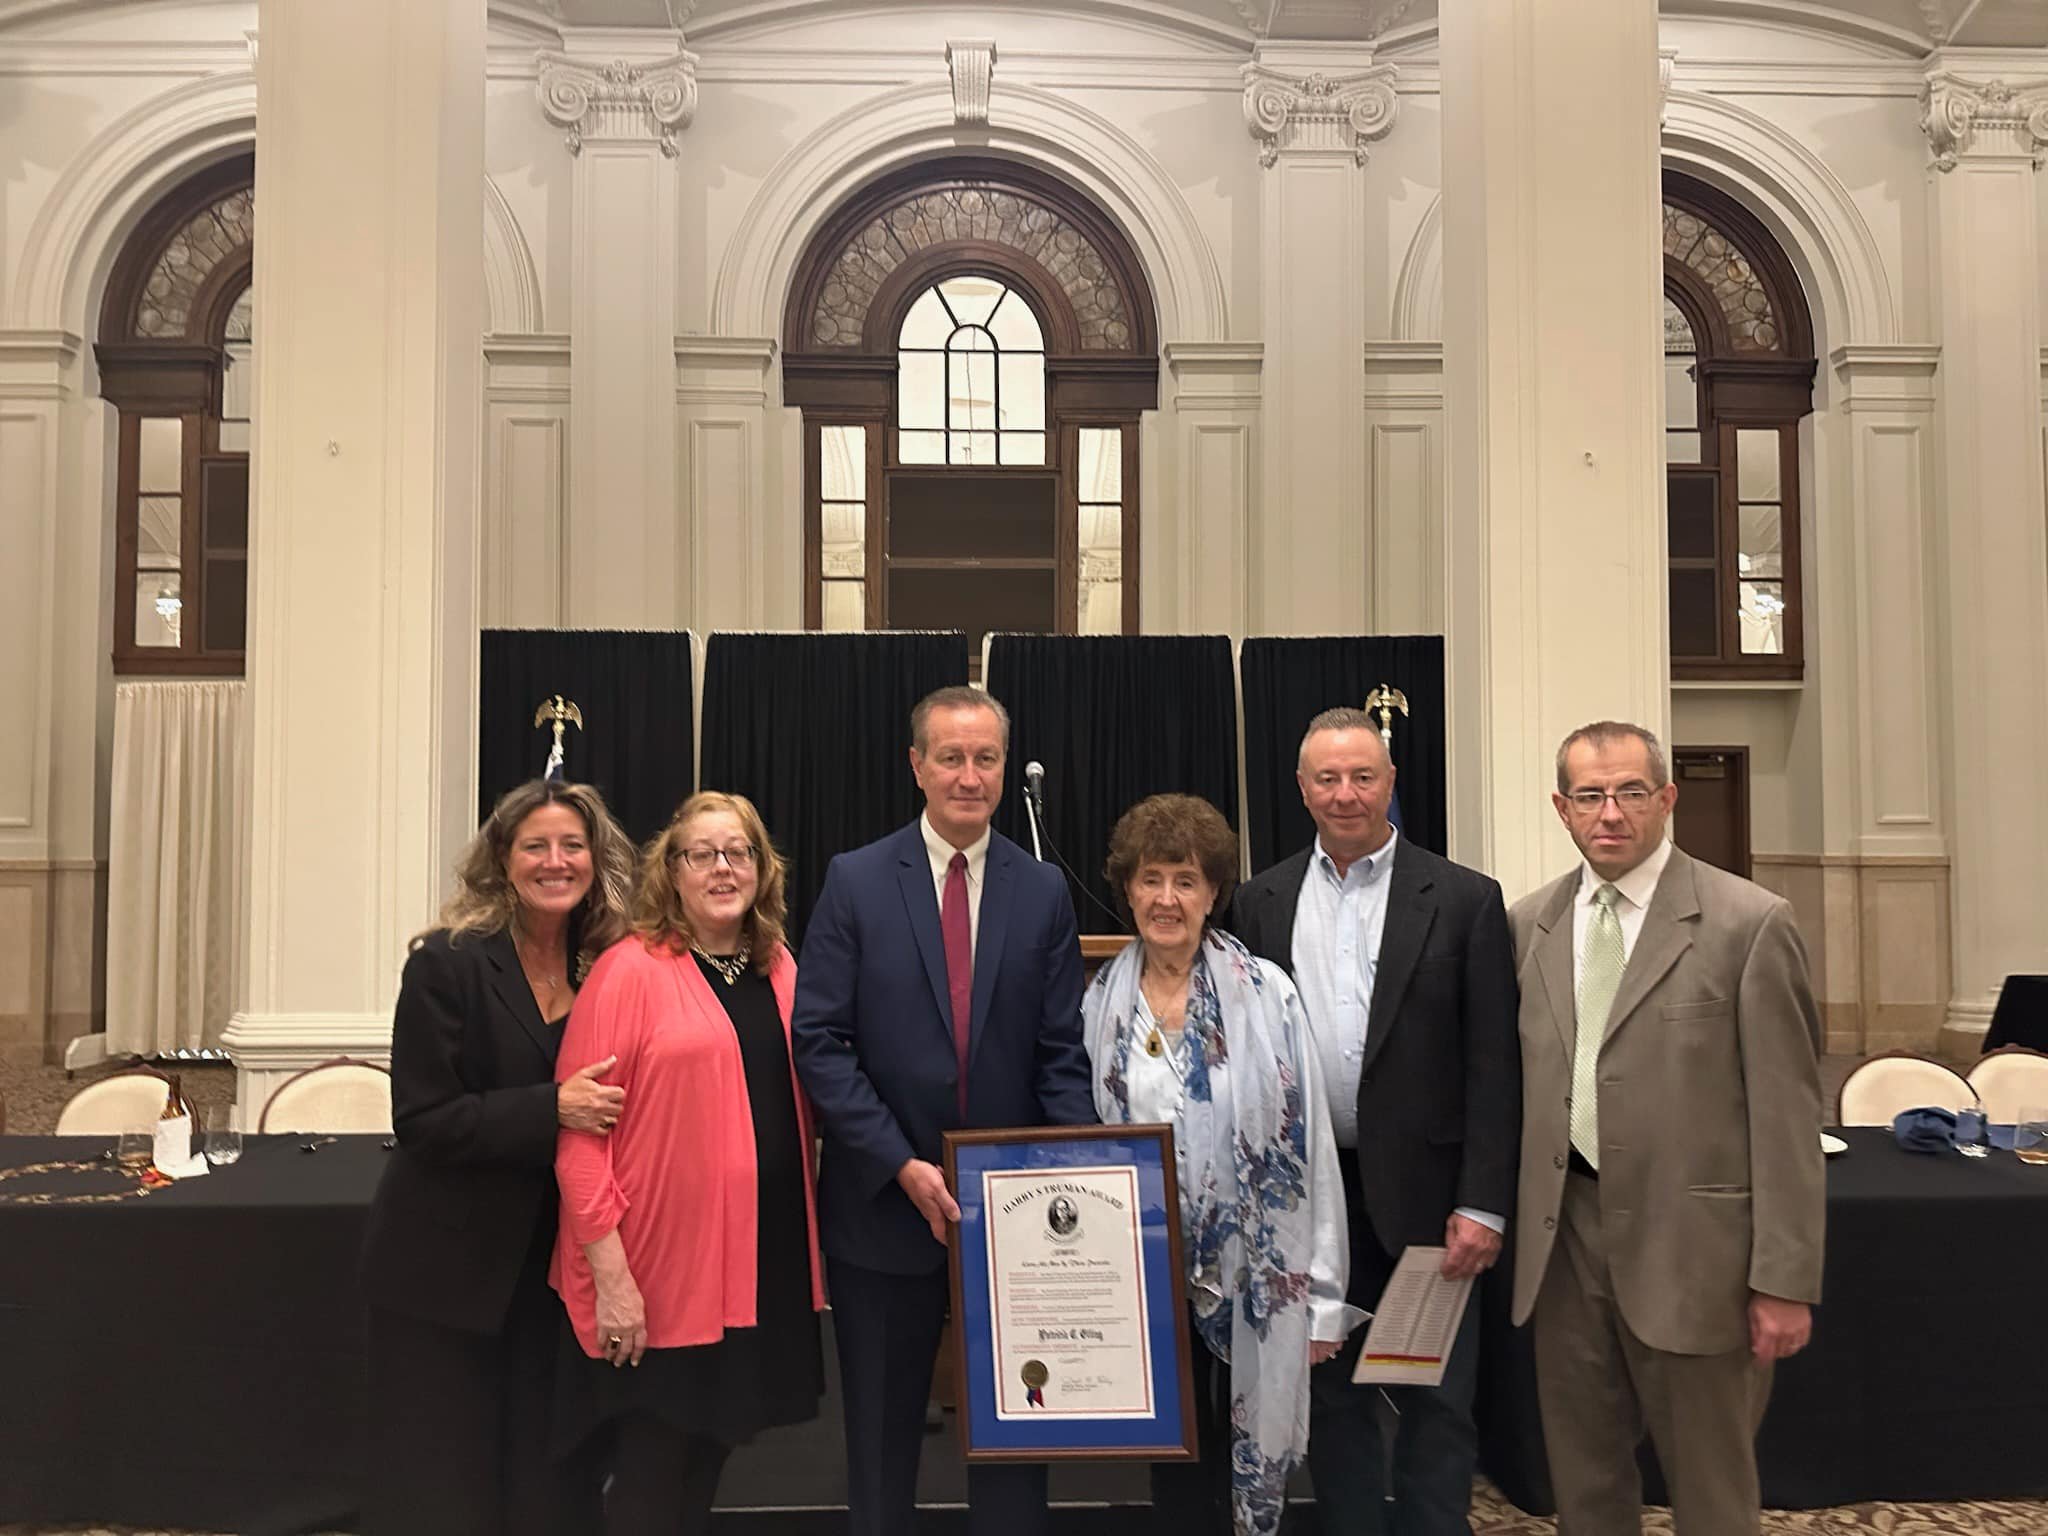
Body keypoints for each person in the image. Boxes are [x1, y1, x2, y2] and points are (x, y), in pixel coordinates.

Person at [792, 684, 1095, 1536]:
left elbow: (1059, 1057)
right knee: (882, 1447)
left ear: (1005, 768)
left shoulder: (1042, 892)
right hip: (885, 1207)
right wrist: (900, 1162)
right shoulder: (854, 881)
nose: (970, 775)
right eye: (952, 757)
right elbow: (820, 1042)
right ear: (917, 765)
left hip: (1016, 1221)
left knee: (1013, 1436)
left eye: (986, 758)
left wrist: (1072, 1186)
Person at [1509, 721, 1823, 1535]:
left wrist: (1784, 1278)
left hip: (1699, 1255)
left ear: (1667, 800)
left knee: (1714, 1492)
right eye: (1590, 795)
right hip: (1565, 1244)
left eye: (1631, 792)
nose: (1610, 813)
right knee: (1584, 1482)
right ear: (1562, 808)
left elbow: (1789, 1117)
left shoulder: (1748, 923)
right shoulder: (1527, 928)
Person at [1228, 708, 1519, 1536]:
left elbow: (1495, 1065)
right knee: (1329, 1400)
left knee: (1439, 1403)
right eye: (1328, 778)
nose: (1346, 794)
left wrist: (1483, 1203)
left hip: (1432, 1204)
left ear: (1391, 782)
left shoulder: (1463, 899)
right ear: (1301, 788)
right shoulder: (1260, 902)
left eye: (1363, 776)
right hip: (1310, 1205)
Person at [359, 778, 636, 1536]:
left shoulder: (609, 965)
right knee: (445, 1480)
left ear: (596, 858)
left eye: (572, 845)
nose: (556, 861)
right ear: (502, 859)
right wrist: (554, 1107)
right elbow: (424, 1120)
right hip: (447, 1269)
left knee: (548, 1476)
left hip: (555, 1270)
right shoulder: (446, 964)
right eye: (536, 846)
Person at [1085, 793, 1364, 1536]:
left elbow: (1308, 1155)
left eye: (1185, 879)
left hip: (1254, 1273)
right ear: (1128, 889)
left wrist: (1326, 1293)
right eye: (1151, 879)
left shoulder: (1268, 995)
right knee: (1172, 1455)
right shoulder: (1098, 1004)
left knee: (1239, 1446)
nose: (1167, 898)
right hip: (1144, 1269)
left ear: (1214, 893)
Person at [552, 791, 826, 1536]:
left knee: (709, 1450)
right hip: (657, 1272)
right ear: (670, 872)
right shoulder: (628, 972)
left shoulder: (779, 969)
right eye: (701, 854)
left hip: (753, 1265)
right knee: (653, 1465)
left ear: (763, 870)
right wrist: (611, 1277)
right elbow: (579, 1141)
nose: (722, 868)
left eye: (738, 852)